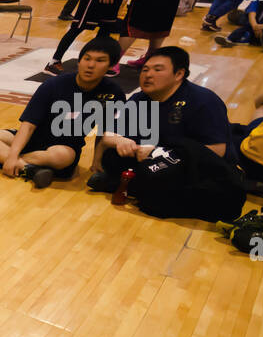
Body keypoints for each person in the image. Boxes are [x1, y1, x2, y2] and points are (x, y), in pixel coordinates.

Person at [86, 47, 243, 222]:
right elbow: (108, 135)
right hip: (152, 160)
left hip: (197, 166)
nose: (148, 74)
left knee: (159, 179)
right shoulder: (139, 99)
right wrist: (121, 141)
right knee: (113, 155)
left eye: (157, 69)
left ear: (179, 74)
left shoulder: (203, 101)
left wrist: (159, 153)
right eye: (145, 69)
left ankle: (130, 185)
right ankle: (135, 185)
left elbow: (216, 152)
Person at [0, 38, 125, 188]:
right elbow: (28, 125)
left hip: (64, 147)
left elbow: (105, 132)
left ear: (111, 66)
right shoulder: (54, 84)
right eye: (87, 59)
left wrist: (96, 161)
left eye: (100, 61)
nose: (91, 65)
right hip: (32, 140)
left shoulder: (113, 93)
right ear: (79, 61)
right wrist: (12, 156)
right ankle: (29, 169)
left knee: (61, 157)